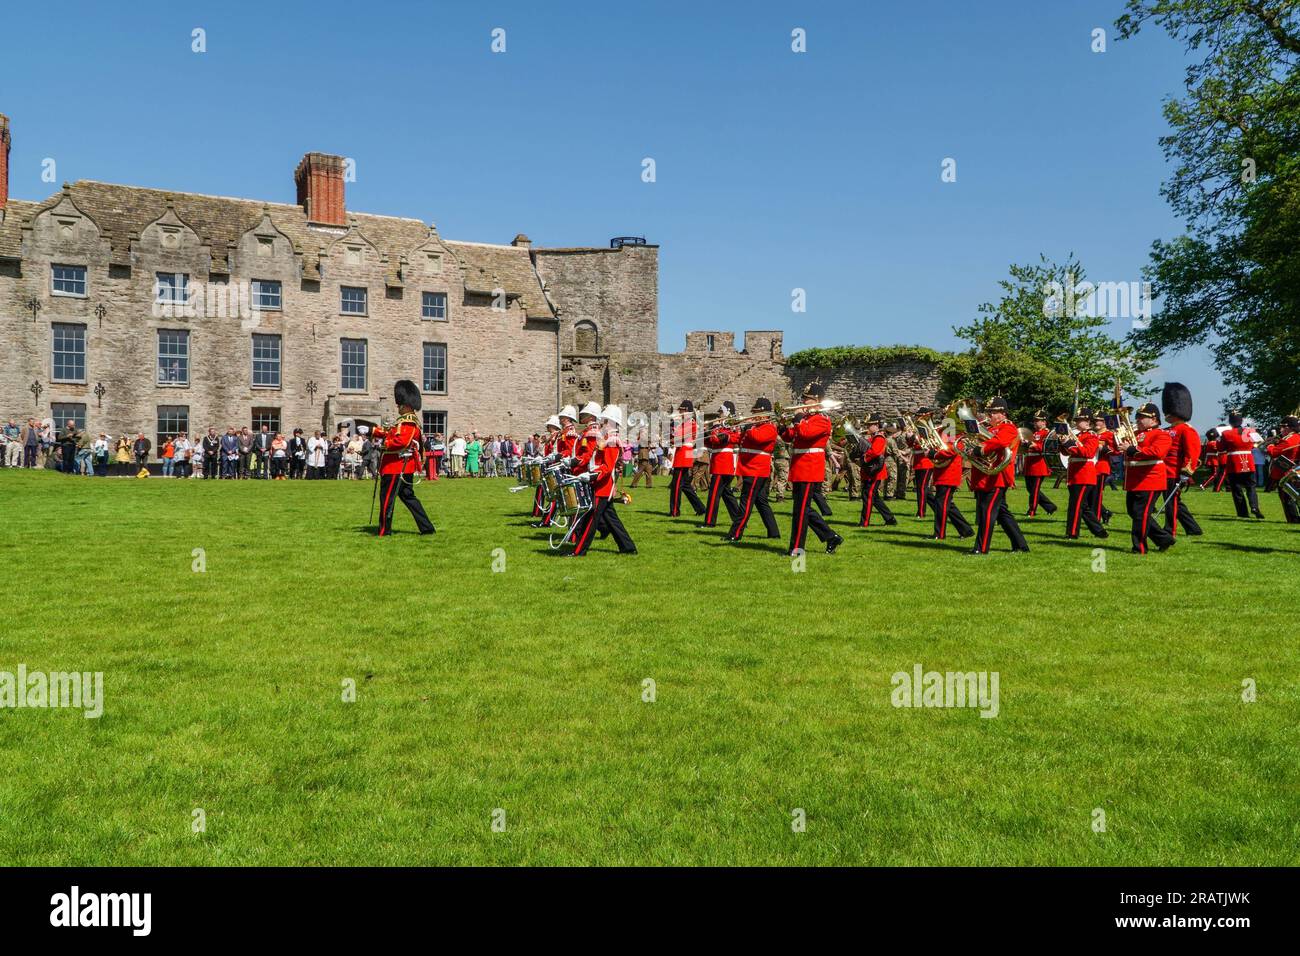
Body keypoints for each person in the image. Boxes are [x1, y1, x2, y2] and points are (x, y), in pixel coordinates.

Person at [779, 383, 843, 556]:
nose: (804, 402)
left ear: (817, 402)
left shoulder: (822, 420)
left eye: (807, 400)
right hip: (800, 467)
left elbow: (806, 434)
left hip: (810, 468)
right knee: (802, 510)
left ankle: (796, 550)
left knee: (800, 512)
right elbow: (790, 437)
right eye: (804, 399)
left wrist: (798, 418)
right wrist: (783, 426)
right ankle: (831, 537)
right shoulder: (805, 419)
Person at [568, 405, 636, 557]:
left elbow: (607, 467)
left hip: (602, 485)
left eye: (604, 420)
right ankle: (628, 547)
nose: (601, 423)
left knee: (591, 519)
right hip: (598, 483)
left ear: (610, 421)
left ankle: (579, 550)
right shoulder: (605, 438)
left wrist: (592, 476)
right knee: (611, 518)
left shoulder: (612, 440)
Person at [966, 396, 1029, 555]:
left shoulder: (1008, 427)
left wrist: (979, 449)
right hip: (985, 475)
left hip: (997, 476)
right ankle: (1021, 545)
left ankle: (981, 547)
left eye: (992, 412)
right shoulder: (990, 428)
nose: (989, 415)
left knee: (987, 513)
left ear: (1002, 413)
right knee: (1002, 514)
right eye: (989, 412)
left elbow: (1000, 442)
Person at [371, 380, 434, 536]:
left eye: (399, 405)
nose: (398, 407)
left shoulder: (408, 422)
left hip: (395, 465)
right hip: (401, 465)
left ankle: (384, 530)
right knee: (408, 496)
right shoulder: (405, 421)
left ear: (405, 405)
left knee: (387, 499)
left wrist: (384, 444)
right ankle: (427, 528)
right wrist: (374, 431)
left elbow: (401, 441)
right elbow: (394, 433)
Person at [1117, 402, 1176, 554]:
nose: (1137, 420)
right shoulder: (1135, 434)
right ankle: (1164, 538)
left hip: (1150, 478)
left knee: (1140, 514)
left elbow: (1156, 452)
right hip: (1134, 478)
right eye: (1137, 417)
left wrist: (1131, 449)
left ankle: (1139, 547)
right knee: (1133, 512)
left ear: (1154, 420)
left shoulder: (1162, 434)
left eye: (1142, 417)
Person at [726, 398, 781, 542]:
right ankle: (773, 532)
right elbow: (741, 440)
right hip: (750, 467)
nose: (754, 416)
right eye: (754, 413)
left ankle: (735, 533)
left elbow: (758, 438)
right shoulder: (754, 427)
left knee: (746, 502)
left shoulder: (769, 427)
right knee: (761, 501)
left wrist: (748, 427)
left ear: (765, 414)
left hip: (756, 468)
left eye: (757, 413)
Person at [1161, 382, 1203, 537]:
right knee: (1175, 503)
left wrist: (1187, 471)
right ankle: (1193, 529)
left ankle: (1169, 530)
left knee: (1171, 503)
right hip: (1163, 471)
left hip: (1174, 472)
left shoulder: (1187, 430)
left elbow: (1192, 453)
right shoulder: (1167, 430)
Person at [1059, 409, 1108, 540]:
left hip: (1084, 473)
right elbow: (1066, 453)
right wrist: (1062, 442)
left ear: (1088, 422)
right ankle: (1099, 531)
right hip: (1074, 472)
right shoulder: (1078, 435)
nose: (1076, 423)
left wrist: (1069, 444)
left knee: (1075, 505)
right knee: (1083, 506)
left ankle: (1072, 532)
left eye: (1079, 420)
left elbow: (1087, 453)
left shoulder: (1091, 435)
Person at [928, 425, 974, 540]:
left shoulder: (956, 434)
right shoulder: (943, 431)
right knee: (947, 505)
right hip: (942, 472)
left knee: (941, 504)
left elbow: (952, 449)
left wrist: (934, 454)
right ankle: (966, 530)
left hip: (949, 473)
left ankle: (939, 533)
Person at [1217, 410, 1265, 518]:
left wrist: (1218, 440)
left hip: (1234, 462)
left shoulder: (1226, 433)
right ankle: (1254, 507)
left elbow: (1221, 448)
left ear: (1230, 422)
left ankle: (1243, 512)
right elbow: (1258, 443)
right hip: (1248, 460)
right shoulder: (1250, 431)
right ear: (1241, 420)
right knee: (1251, 486)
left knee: (1236, 488)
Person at [702, 402, 741, 527]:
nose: (720, 415)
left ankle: (709, 522)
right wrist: (706, 435)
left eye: (722, 412)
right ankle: (739, 520)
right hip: (718, 462)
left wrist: (721, 436)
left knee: (714, 494)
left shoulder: (732, 425)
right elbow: (712, 443)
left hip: (724, 463)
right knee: (727, 494)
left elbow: (736, 438)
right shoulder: (719, 426)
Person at [668, 399, 706, 517]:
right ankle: (700, 508)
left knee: (676, 486)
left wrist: (674, 429)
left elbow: (680, 438)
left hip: (683, 456)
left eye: (681, 410)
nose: (679, 412)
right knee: (685, 486)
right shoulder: (684, 423)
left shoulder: (691, 423)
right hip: (681, 455)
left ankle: (675, 511)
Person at [857, 414, 896, 528]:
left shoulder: (879, 437)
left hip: (874, 473)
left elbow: (875, 452)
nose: (867, 427)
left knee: (867, 496)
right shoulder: (872, 437)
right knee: (874, 498)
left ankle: (864, 522)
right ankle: (890, 518)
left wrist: (864, 457)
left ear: (876, 425)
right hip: (869, 471)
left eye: (869, 425)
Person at [1023, 410, 1059, 518]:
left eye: (1037, 421)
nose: (1035, 423)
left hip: (1039, 465)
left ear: (1044, 422)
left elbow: (1045, 448)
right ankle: (1050, 507)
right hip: (1030, 464)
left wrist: (1032, 444)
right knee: (1030, 489)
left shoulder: (1047, 433)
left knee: (1034, 490)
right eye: (1034, 420)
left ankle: (1032, 510)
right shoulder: (1034, 433)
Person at [1266, 416, 1300, 523]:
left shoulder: (1288, 440)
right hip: (1296, 470)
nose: (1281, 430)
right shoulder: (1297, 437)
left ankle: (1293, 519)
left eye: (1283, 427)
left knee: (1286, 497)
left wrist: (1270, 445)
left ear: (1289, 428)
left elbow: (1273, 452)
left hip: (1286, 472)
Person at [908, 411, 935, 517]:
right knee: (924, 489)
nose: (917, 419)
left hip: (926, 462)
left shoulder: (929, 430)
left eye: (919, 416)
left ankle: (921, 512)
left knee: (922, 489)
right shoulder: (918, 430)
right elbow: (911, 445)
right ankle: (938, 507)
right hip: (918, 462)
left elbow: (928, 446)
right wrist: (909, 437)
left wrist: (916, 438)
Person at [1091, 414, 1116, 524]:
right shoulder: (1092, 434)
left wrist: (1102, 447)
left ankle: (1096, 519)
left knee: (1096, 494)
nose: (1097, 422)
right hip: (1091, 466)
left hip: (1101, 467)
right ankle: (1105, 512)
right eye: (1095, 420)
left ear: (1105, 422)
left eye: (1100, 420)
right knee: (1090, 495)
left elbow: (1115, 450)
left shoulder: (1109, 434)